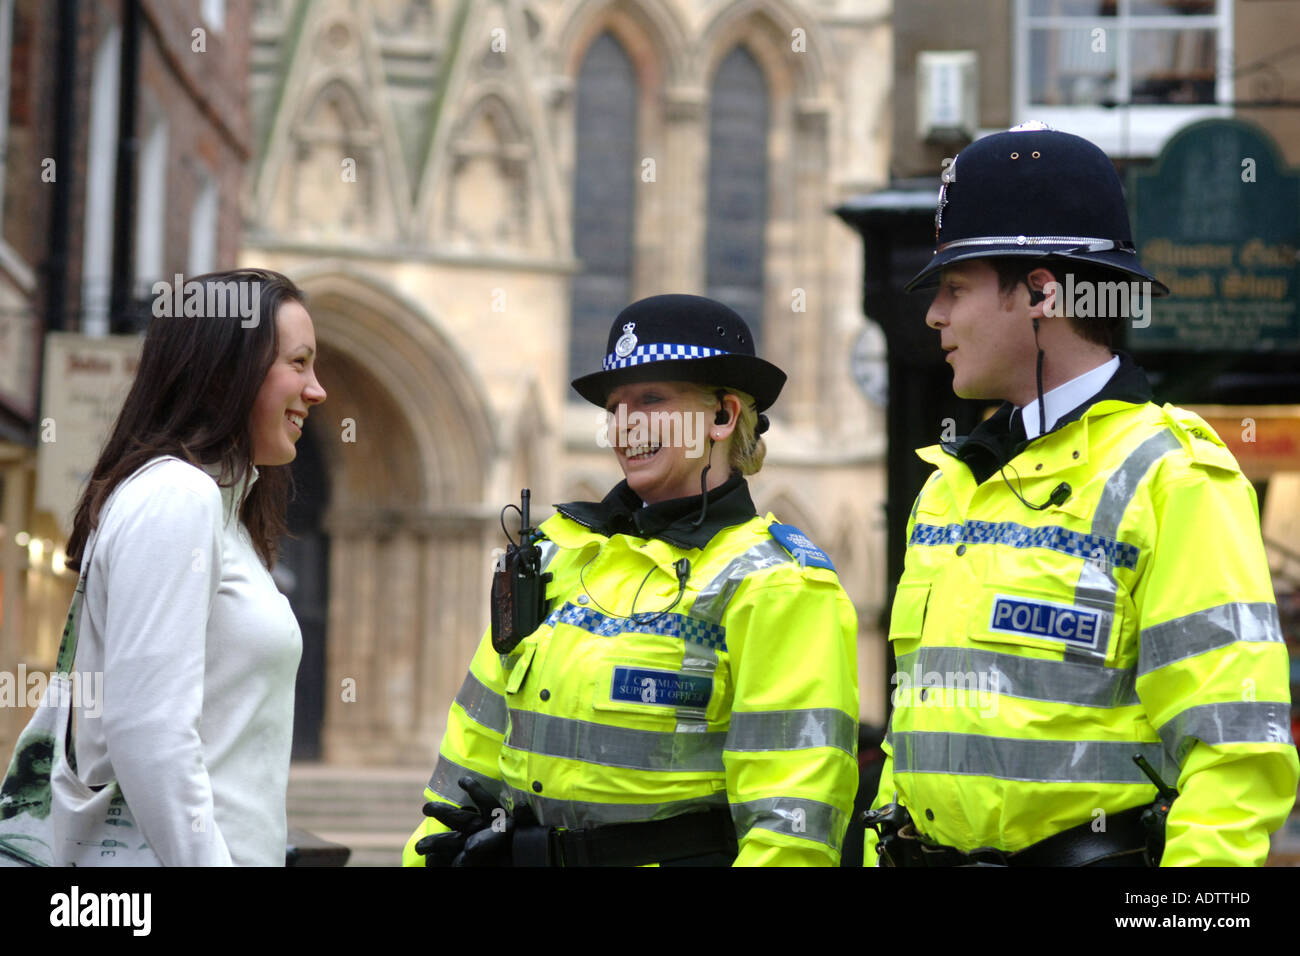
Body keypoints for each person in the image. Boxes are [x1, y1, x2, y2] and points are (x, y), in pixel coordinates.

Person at [864, 124, 1298, 866]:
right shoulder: (948, 486)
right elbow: (915, 740)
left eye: (956, 288)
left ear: (1040, 291)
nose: (935, 315)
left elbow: (1234, 754)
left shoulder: (1174, 475)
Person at [403, 294, 860, 866]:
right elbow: (464, 766)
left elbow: (792, 825)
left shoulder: (779, 582)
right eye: (615, 407)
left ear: (722, 416)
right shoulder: (553, 556)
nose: (624, 426)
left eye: (651, 400)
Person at [61, 268, 326, 866]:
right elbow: (149, 732)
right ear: (228, 370)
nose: (317, 390)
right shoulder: (179, 496)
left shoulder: (216, 508)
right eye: (299, 363)